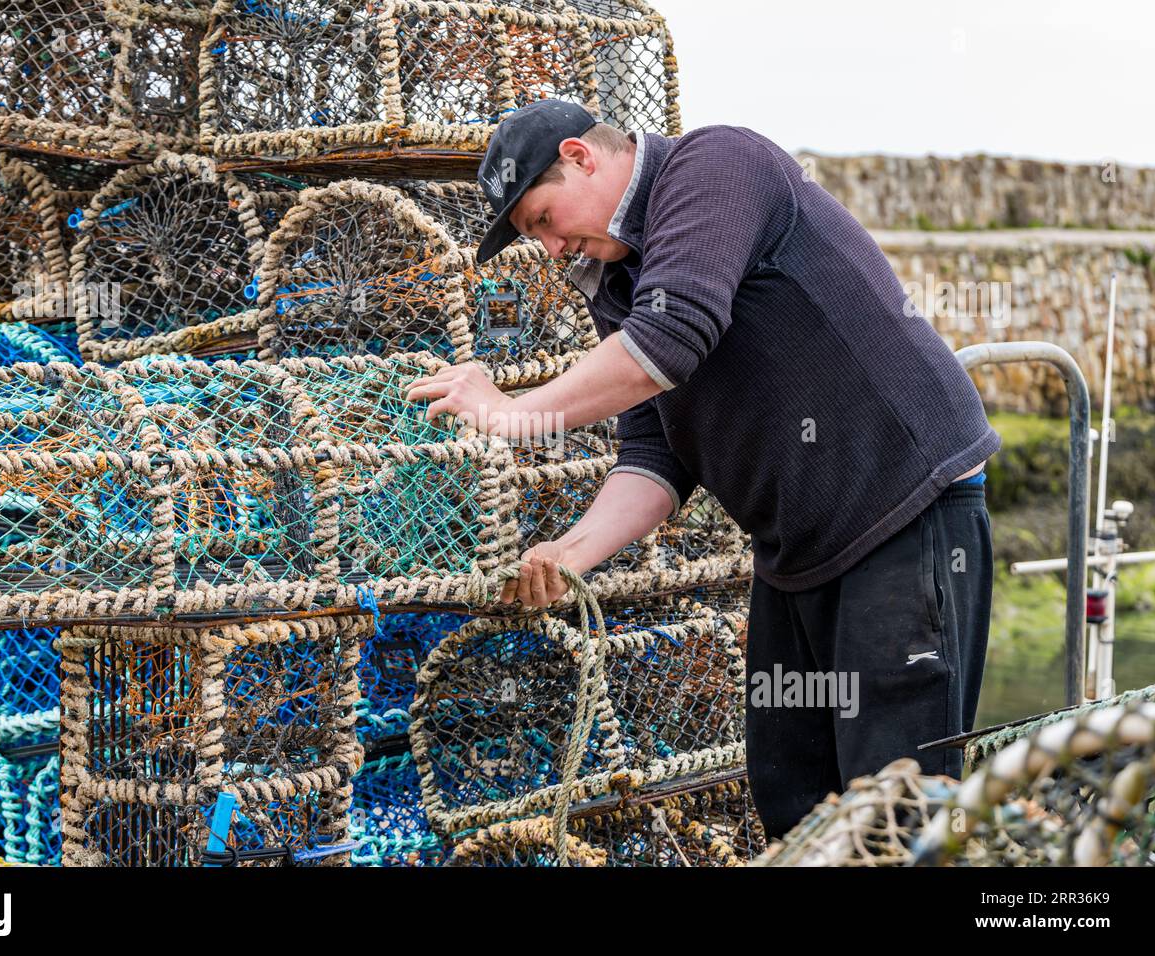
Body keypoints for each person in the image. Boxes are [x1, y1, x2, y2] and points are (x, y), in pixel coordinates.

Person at [405, 99, 999, 841]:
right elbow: (655, 453)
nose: (553, 249)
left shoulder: (714, 166)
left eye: (543, 220)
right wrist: (573, 554)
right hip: (798, 551)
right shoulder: (615, 281)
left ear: (582, 157)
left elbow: (672, 338)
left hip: (906, 515)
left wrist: (512, 411)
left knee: (896, 811)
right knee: (794, 801)